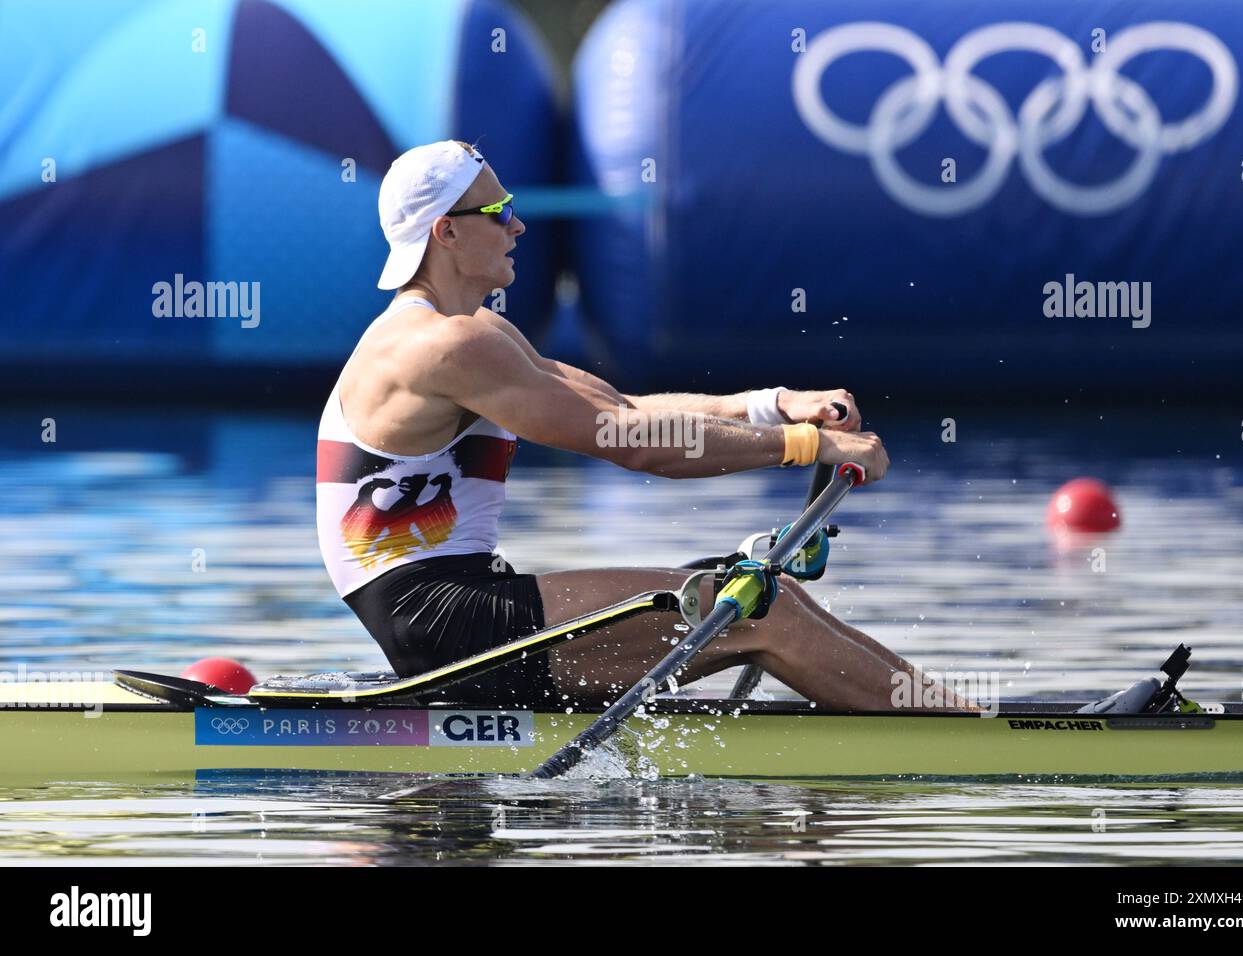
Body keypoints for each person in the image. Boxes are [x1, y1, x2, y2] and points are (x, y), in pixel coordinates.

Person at [316, 140, 965, 712]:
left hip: (459, 603)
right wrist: (807, 446)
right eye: (498, 212)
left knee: (771, 592)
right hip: (440, 621)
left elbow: (623, 408)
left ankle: (951, 716)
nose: (517, 227)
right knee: (765, 611)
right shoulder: (441, 345)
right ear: (445, 234)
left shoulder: (477, 332)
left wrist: (773, 403)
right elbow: (638, 448)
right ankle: (977, 738)